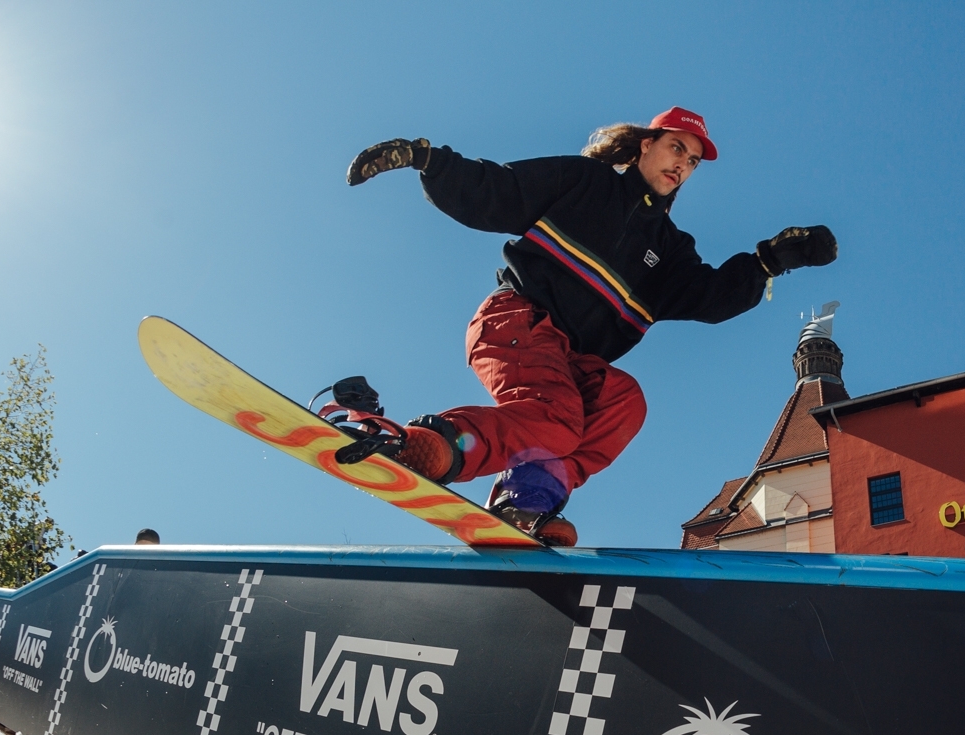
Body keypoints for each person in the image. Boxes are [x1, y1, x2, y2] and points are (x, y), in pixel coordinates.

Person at [336, 109, 838, 546]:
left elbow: (711, 297)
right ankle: (437, 444)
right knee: (555, 416)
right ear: (646, 144)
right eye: (675, 148)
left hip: (570, 360)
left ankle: (526, 501)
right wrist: (428, 160)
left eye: (691, 162)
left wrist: (771, 260)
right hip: (520, 319)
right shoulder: (585, 183)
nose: (681, 164)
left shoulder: (669, 250)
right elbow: (499, 190)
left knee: (623, 401)